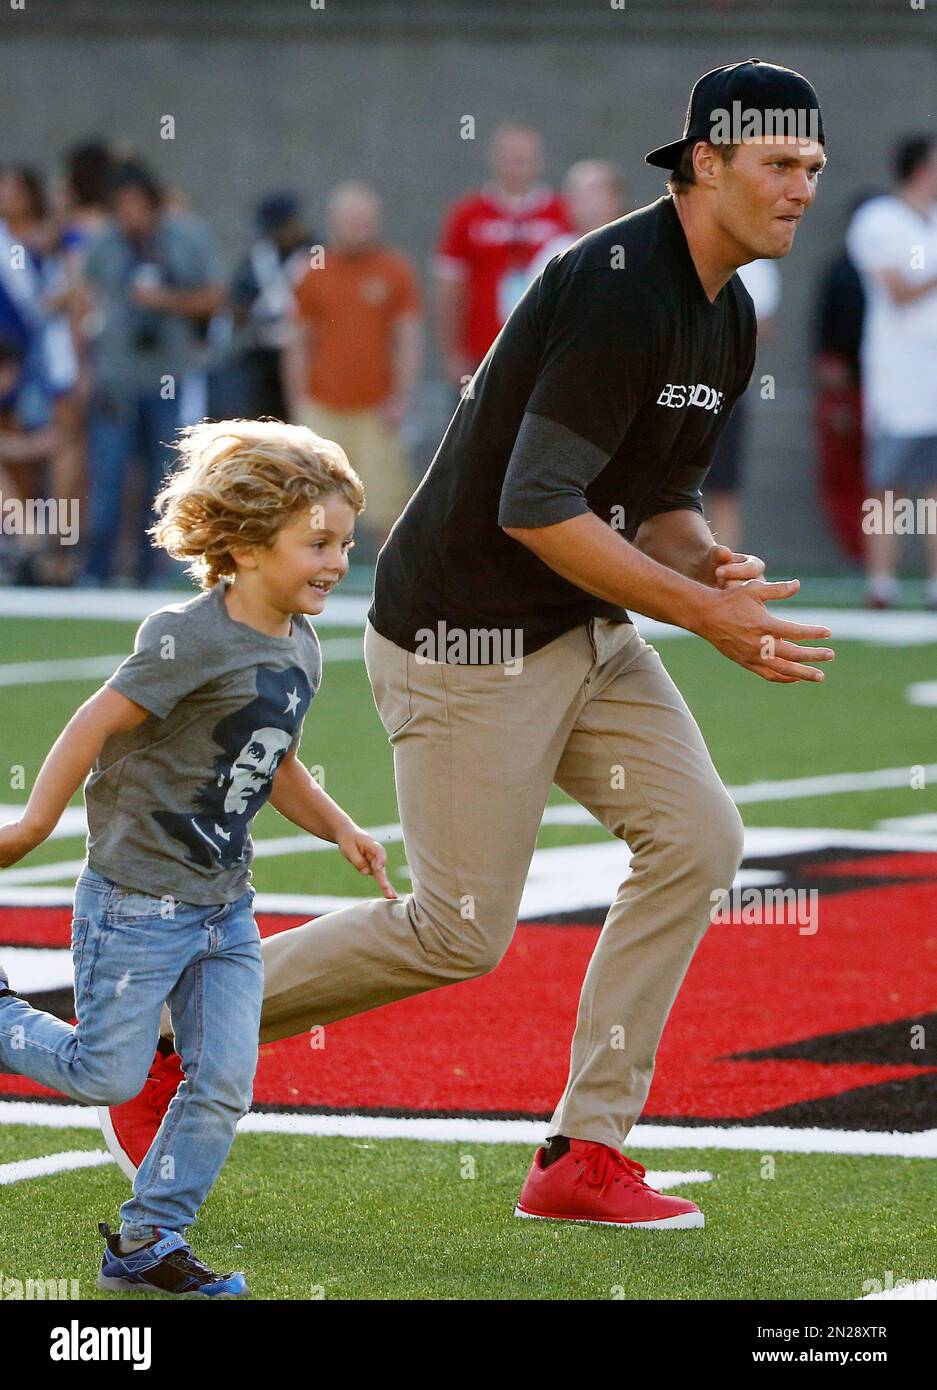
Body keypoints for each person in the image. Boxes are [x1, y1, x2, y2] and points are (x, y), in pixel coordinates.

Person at [102, 61, 834, 1232]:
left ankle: (582, 1153)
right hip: (466, 634)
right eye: (780, 166)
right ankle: (162, 1040)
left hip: (574, 623)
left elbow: (660, 497)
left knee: (698, 837)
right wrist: (699, 614)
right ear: (706, 163)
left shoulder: (726, 310)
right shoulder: (617, 286)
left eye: (812, 169)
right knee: (455, 931)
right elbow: (536, 506)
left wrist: (706, 566)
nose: (802, 189)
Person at [0, 419, 393, 1293]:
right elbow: (97, 719)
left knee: (221, 1081)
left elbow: (270, 752)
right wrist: (32, 823)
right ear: (248, 547)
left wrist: (338, 826)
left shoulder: (299, 643)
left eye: (343, 542)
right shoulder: (187, 633)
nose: (336, 561)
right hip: (136, 903)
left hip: (226, 907)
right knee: (107, 1072)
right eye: (317, 543)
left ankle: (146, 1246)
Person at [78, 160, 226, 586]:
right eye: (120, 206)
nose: (129, 215)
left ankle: (151, 571)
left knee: (163, 475)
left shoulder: (186, 237)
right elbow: (82, 299)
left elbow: (215, 297)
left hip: (168, 376)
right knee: (108, 475)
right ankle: (96, 572)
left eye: (136, 205)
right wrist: (85, 363)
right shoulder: (104, 244)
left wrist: (163, 301)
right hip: (116, 377)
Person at [285, 181, 423, 558]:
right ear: (334, 221)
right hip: (322, 406)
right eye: (351, 219)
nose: (358, 227)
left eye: (365, 219)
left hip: (376, 408)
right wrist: (299, 401)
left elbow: (408, 338)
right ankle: (309, 578)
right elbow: (297, 341)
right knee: (311, 503)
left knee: (388, 506)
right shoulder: (313, 269)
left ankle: (390, 587)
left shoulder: (394, 269)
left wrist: (401, 398)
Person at [846, 136, 937, 609]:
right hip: (898, 378)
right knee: (889, 484)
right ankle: (881, 583)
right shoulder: (879, 220)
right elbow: (899, 290)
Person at [434, 122, 572, 396]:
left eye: (526, 156)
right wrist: (452, 353)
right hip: (482, 355)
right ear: (495, 158)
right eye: (512, 156)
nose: (519, 164)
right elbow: (448, 289)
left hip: (543, 355)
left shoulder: (562, 213)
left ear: (539, 159)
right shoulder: (468, 214)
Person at [703, 257, 781, 551]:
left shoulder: (755, 267)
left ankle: (723, 577)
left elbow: (760, 325)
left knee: (723, 490)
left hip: (724, 389)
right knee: (656, 493)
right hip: (669, 390)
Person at [526, 158, 628, 280]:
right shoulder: (557, 252)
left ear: (615, 197)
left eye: (593, 192)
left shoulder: (637, 244)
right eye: (577, 195)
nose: (587, 202)